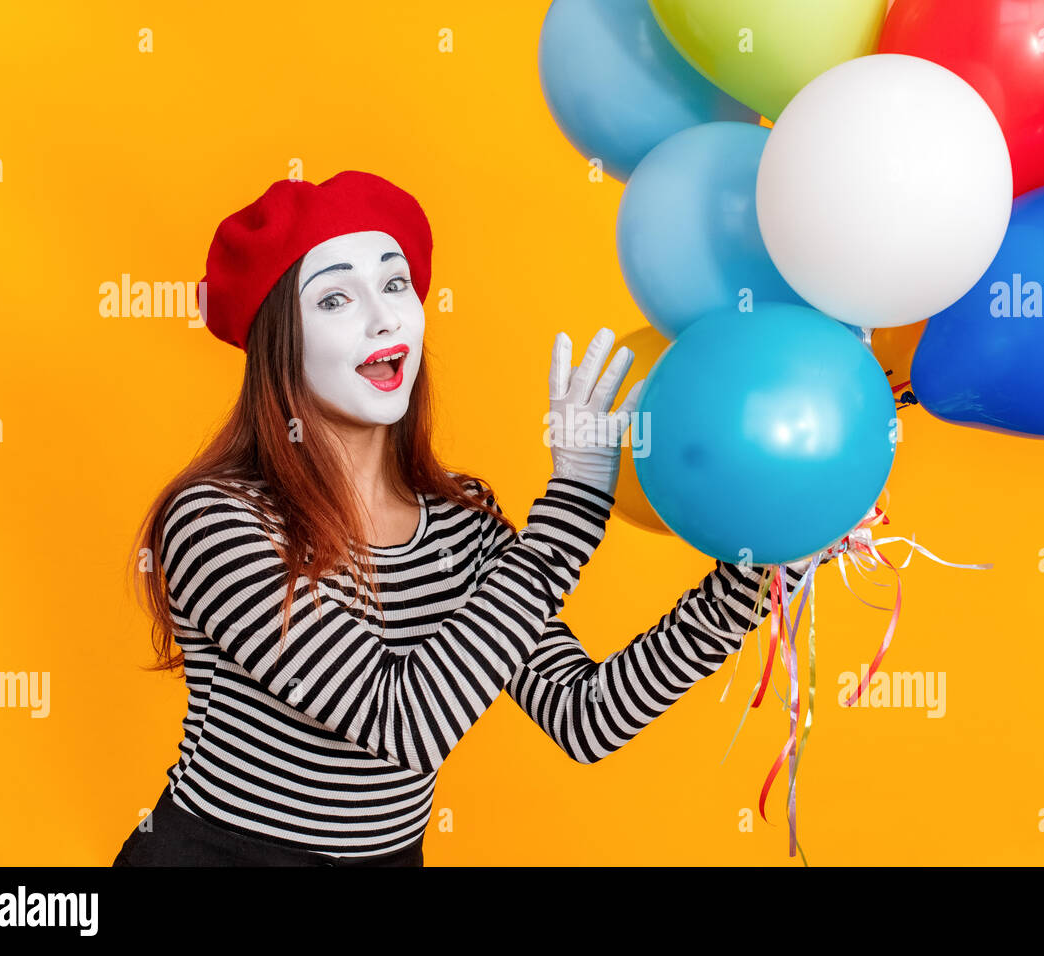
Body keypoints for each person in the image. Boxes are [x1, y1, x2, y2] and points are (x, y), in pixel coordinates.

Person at [112, 170, 807, 867]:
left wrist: (754, 576)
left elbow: (583, 715)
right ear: (278, 343)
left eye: (394, 284)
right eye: (334, 298)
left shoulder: (459, 524)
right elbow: (402, 720)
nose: (383, 317)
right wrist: (573, 507)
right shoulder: (216, 521)